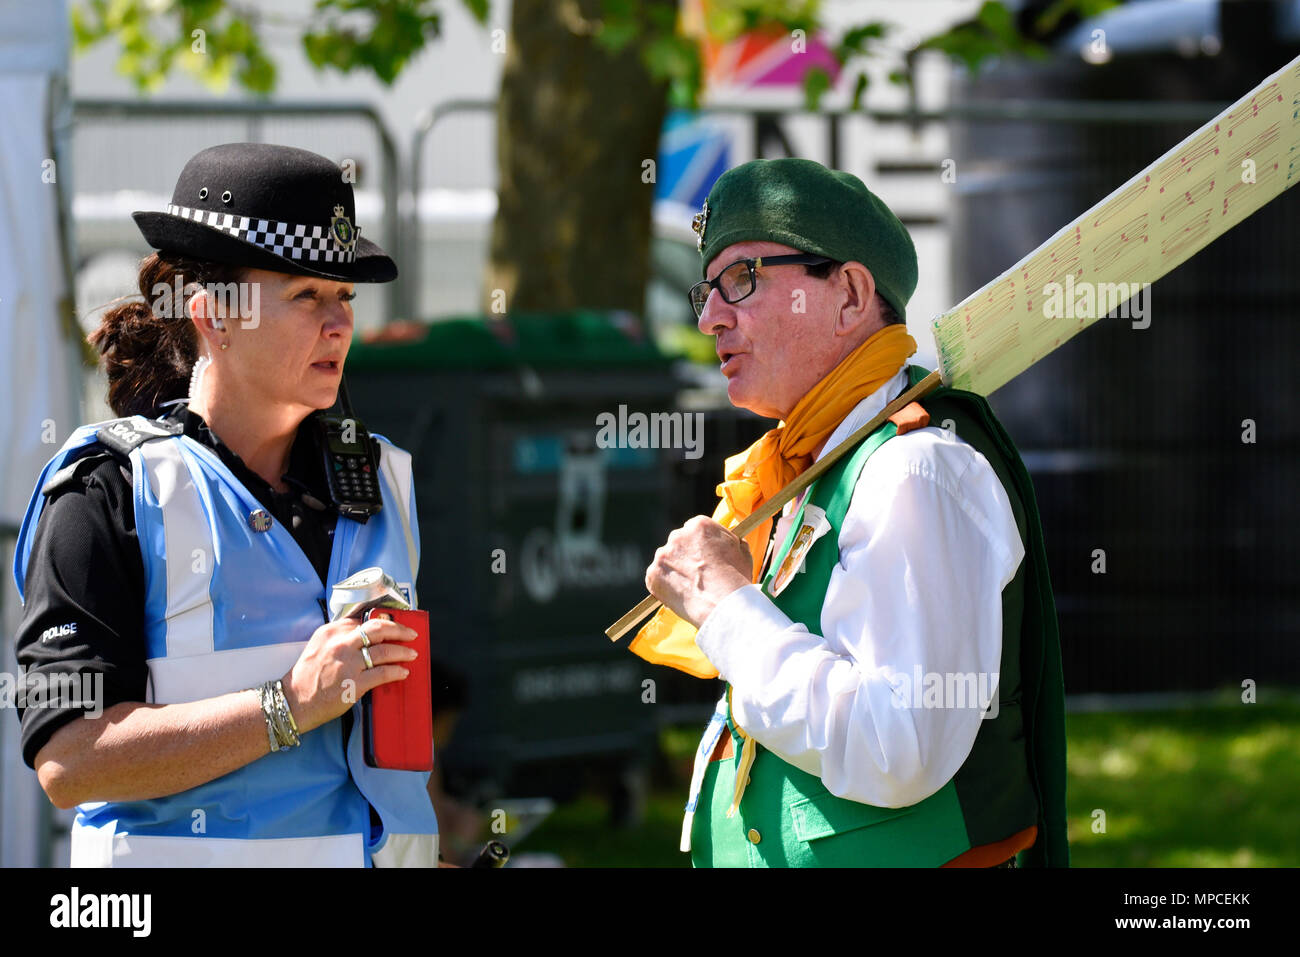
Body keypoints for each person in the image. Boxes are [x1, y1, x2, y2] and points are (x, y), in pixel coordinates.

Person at [12, 142, 440, 867]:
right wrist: (288, 705)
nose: (339, 324)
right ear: (213, 315)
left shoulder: (383, 477)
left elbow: (378, 768)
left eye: (345, 298)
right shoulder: (105, 489)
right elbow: (68, 760)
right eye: (307, 295)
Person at [631, 157, 1068, 867]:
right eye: (705, 290)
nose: (710, 316)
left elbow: (898, 745)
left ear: (849, 295)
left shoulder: (913, 470)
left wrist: (730, 607)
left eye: (742, 278)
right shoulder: (814, 469)